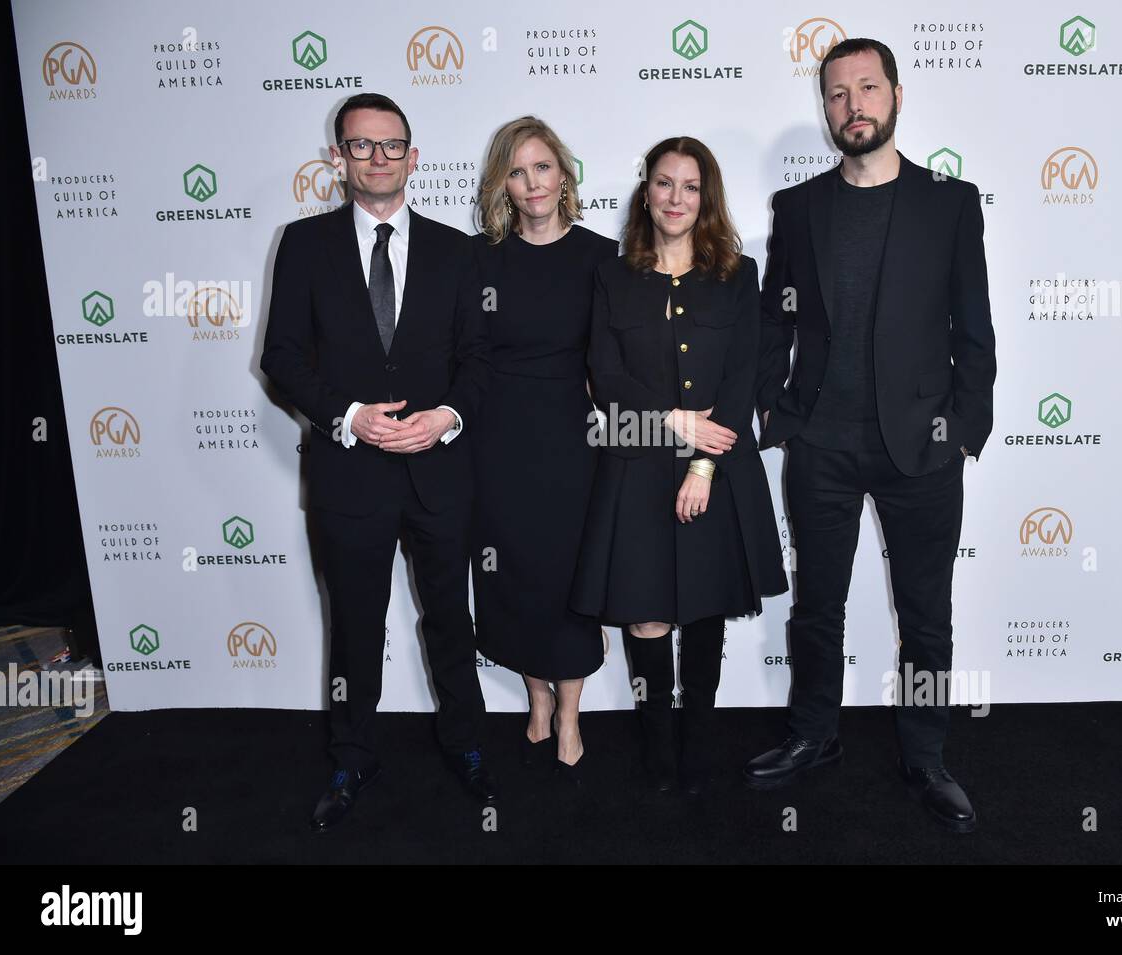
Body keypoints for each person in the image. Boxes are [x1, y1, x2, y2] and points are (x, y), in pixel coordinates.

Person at [743, 38, 996, 834]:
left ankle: (925, 754)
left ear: (896, 95)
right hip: (819, 443)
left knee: (926, 614)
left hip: (919, 445)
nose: (854, 105)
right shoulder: (800, 208)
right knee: (817, 606)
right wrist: (774, 412)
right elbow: (772, 322)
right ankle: (814, 733)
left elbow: (975, 330)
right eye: (837, 94)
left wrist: (962, 429)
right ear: (824, 110)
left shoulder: (950, 203)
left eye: (867, 88)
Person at [260, 92, 496, 831]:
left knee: (451, 620)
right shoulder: (302, 244)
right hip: (348, 478)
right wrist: (351, 417)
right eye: (361, 146)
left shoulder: (459, 251)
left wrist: (447, 417)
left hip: (439, 475)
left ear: (414, 157)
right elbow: (282, 359)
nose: (378, 158)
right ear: (338, 157)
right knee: (354, 626)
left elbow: (478, 360)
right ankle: (351, 754)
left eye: (391, 145)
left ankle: (466, 745)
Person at [571, 136, 788, 796]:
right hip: (635, 464)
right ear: (646, 192)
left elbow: (744, 371)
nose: (675, 198)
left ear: (707, 198)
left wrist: (702, 463)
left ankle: (698, 743)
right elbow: (603, 374)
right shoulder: (612, 275)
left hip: (714, 466)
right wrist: (673, 421)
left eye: (690, 187)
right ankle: (657, 752)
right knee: (645, 614)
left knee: (702, 607)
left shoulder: (737, 274)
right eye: (664, 184)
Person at [470, 117, 617, 784]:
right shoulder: (481, 259)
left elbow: (617, 363)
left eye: (543, 168)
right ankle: (535, 695)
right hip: (497, 443)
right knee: (514, 579)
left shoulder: (600, 257)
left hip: (570, 442)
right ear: (505, 181)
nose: (532, 183)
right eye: (519, 171)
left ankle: (570, 714)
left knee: (566, 581)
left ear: (565, 175)